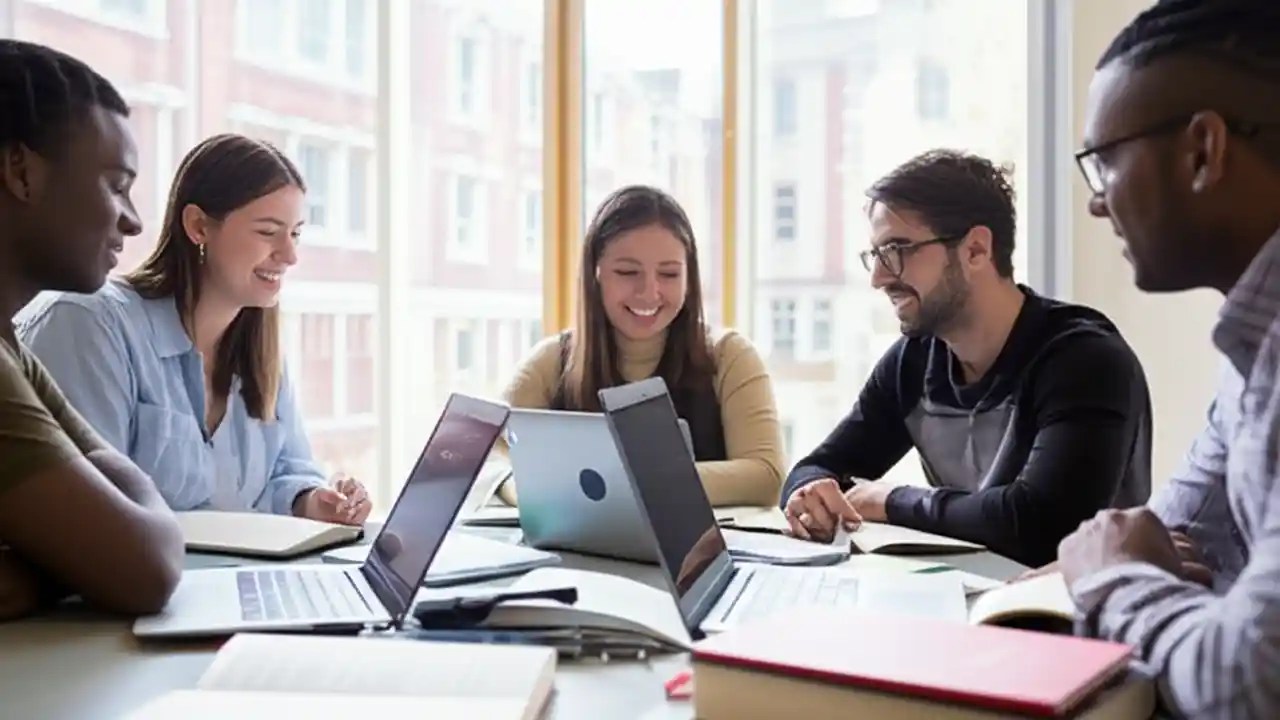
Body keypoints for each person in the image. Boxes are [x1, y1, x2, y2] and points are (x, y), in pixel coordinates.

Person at [1055, 1, 1280, 716]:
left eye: (1104, 163)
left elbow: (1248, 682)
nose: (1097, 206)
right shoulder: (1252, 345)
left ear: (1203, 151)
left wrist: (1113, 581)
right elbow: (1166, 532)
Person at [780, 150, 1153, 567]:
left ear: (976, 249)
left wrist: (891, 500)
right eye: (877, 255)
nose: (878, 278)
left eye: (897, 249)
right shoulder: (912, 363)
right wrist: (809, 493)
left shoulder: (1085, 360)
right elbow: (817, 467)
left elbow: (1041, 525)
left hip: (1073, 615)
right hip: (968, 598)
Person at [16, 133, 371, 525]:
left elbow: (289, 472)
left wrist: (313, 501)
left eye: (296, 233)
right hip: (131, 584)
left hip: (229, 581)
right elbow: (85, 516)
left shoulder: (261, 352)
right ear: (199, 226)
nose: (290, 255)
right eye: (268, 232)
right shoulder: (89, 325)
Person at [0, 40, 183, 619]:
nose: (132, 219)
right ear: (20, 172)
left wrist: (26, 572)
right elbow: (145, 566)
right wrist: (72, 565)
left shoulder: (10, 349)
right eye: (115, 183)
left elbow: (133, 501)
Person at [495, 185, 785, 507]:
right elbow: (492, 460)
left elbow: (766, 477)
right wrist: (529, 489)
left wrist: (622, 483)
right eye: (628, 272)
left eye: (669, 274)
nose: (650, 292)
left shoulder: (730, 356)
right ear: (596, 275)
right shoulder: (553, 361)